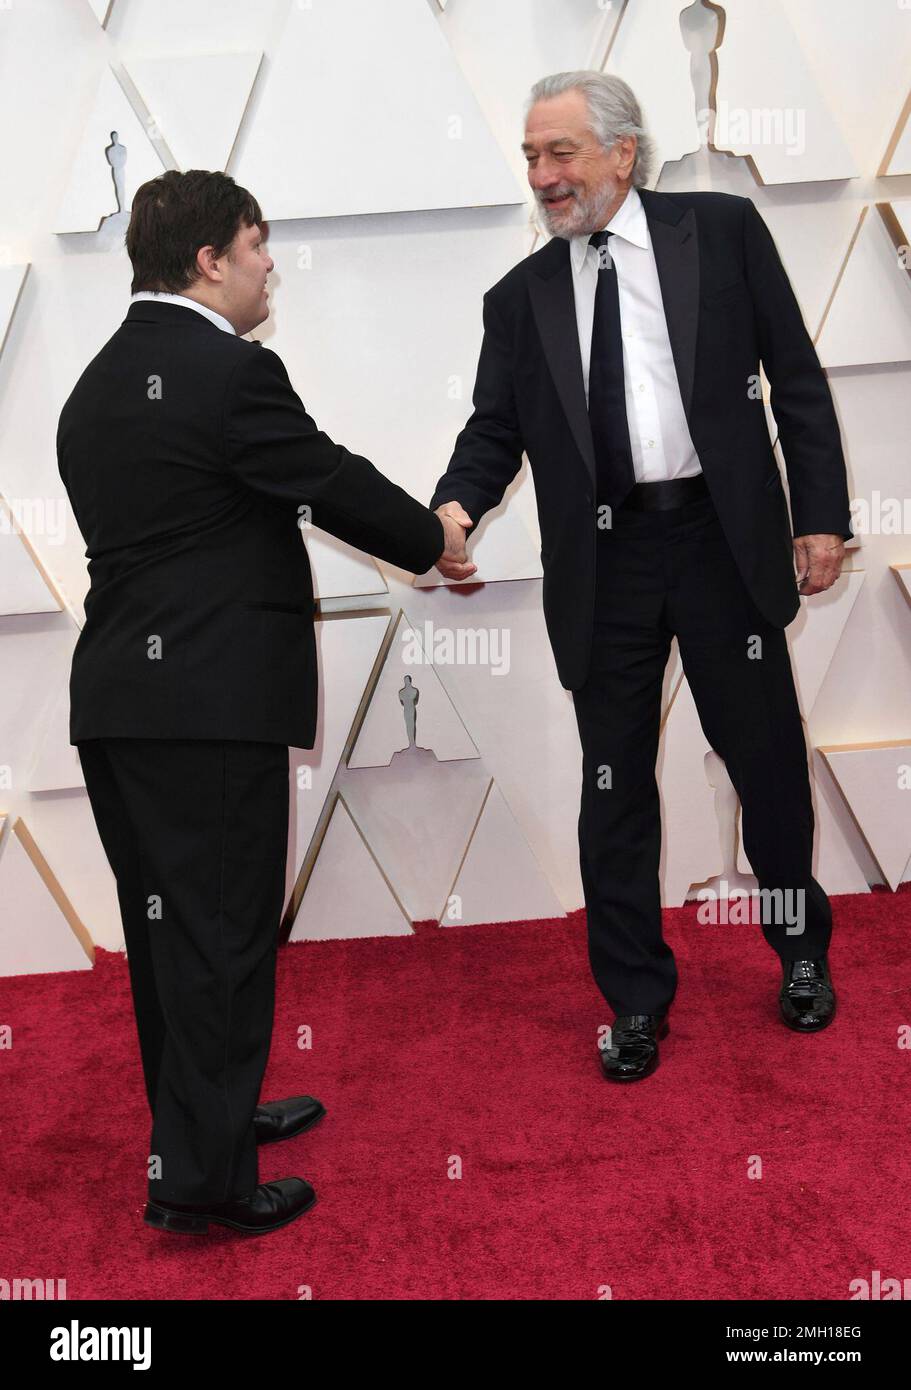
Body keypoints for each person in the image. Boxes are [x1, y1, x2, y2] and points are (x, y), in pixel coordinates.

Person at [57, 169, 470, 1234]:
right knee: (223, 935)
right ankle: (203, 1186)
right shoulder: (229, 374)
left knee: (171, 937)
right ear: (208, 261)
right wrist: (433, 541)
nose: (267, 262)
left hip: (120, 705)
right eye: (255, 244)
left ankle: (209, 1120)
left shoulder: (95, 384)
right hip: (206, 708)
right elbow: (324, 477)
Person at [431, 71, 852, 1082]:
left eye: (558, 152)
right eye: (531, 156)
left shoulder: (721, 232)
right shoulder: (520, 297)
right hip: (605, 560)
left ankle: (798, 953)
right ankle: (631, 999)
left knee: (765, 768)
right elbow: (495, 428)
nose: (541, 175)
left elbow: (792, 377)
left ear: (622, 151)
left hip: (718, 539)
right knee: (610, 788)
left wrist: (822, 517)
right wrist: (453, 505)